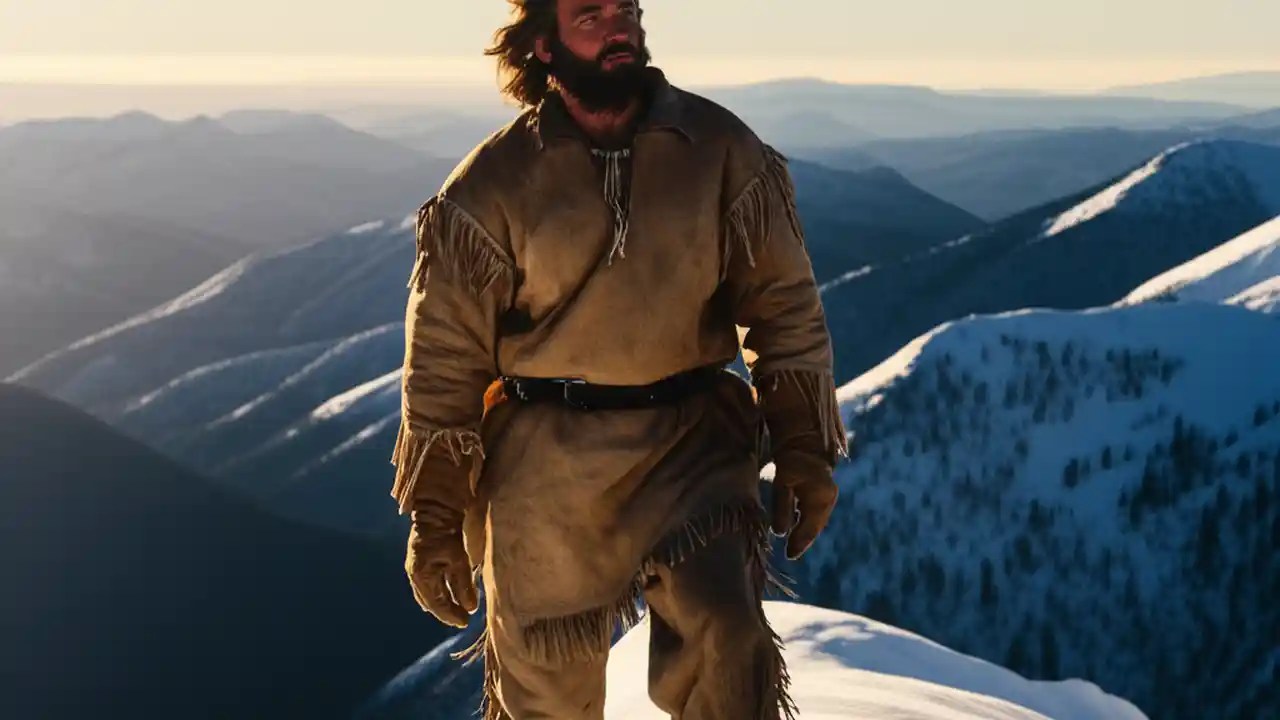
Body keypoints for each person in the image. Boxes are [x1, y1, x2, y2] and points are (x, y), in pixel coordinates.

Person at [390, 1, 847, 717]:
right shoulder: (493, 183)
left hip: (693, 446)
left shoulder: (719, 149)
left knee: (729, 644)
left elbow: (783, 306)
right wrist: (436, 519)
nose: (620, 29)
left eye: (628, 10)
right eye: (592, 14)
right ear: (544, 45)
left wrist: (805, 449)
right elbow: (445, 361)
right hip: (548, 463)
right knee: (546, 692)